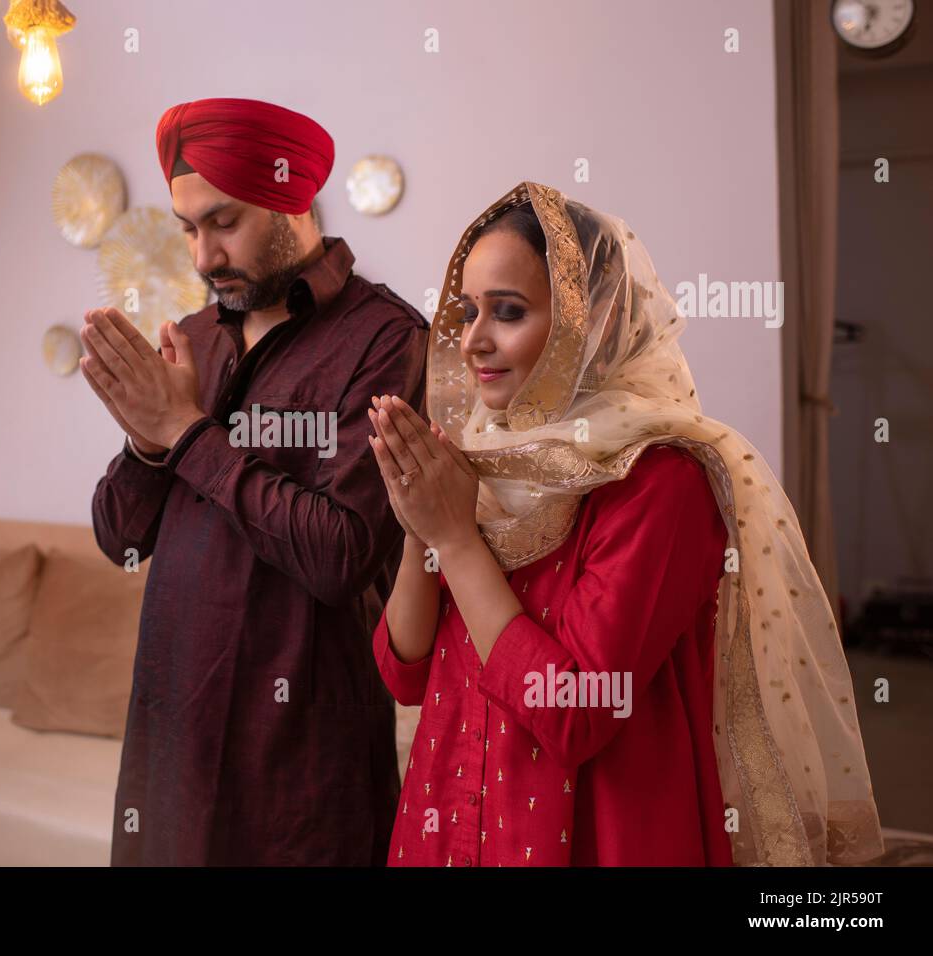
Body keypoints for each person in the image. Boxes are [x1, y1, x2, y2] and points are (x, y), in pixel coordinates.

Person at [367, 181, 884, 866]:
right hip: (456, 815)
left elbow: (574, 710)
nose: (473, 342)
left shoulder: (660, 480)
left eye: (510, 312)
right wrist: (419, 521)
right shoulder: (481, 460)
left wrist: (457, 540)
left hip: (598, 830)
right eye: (467, 312)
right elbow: (404, 675)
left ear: (595, 323)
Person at [82, 97, 429, 865]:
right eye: (188, 229)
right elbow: (118, 538)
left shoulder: (387, 340)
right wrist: (146, 442)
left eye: (224, 222)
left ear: (291, 199)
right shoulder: (195, 339)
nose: (203, 257)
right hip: (171, 742)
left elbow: (342, 555)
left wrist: (187, 435)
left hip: (300, 768)